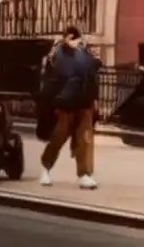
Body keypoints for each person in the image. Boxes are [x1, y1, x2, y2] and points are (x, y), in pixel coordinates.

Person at [39, 26, 102, 189]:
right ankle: (46, 167)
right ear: (65, 38)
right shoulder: (56, 55)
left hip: (84, 103)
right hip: (64, 104)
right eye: (71, 37)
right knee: (58, 138)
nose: (74, 41)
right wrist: (51, 104)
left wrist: (94, 100)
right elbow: (50, 81)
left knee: (85, 139)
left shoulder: (85, 53)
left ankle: (85, 174)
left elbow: (93, 75)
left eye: (76, 38)